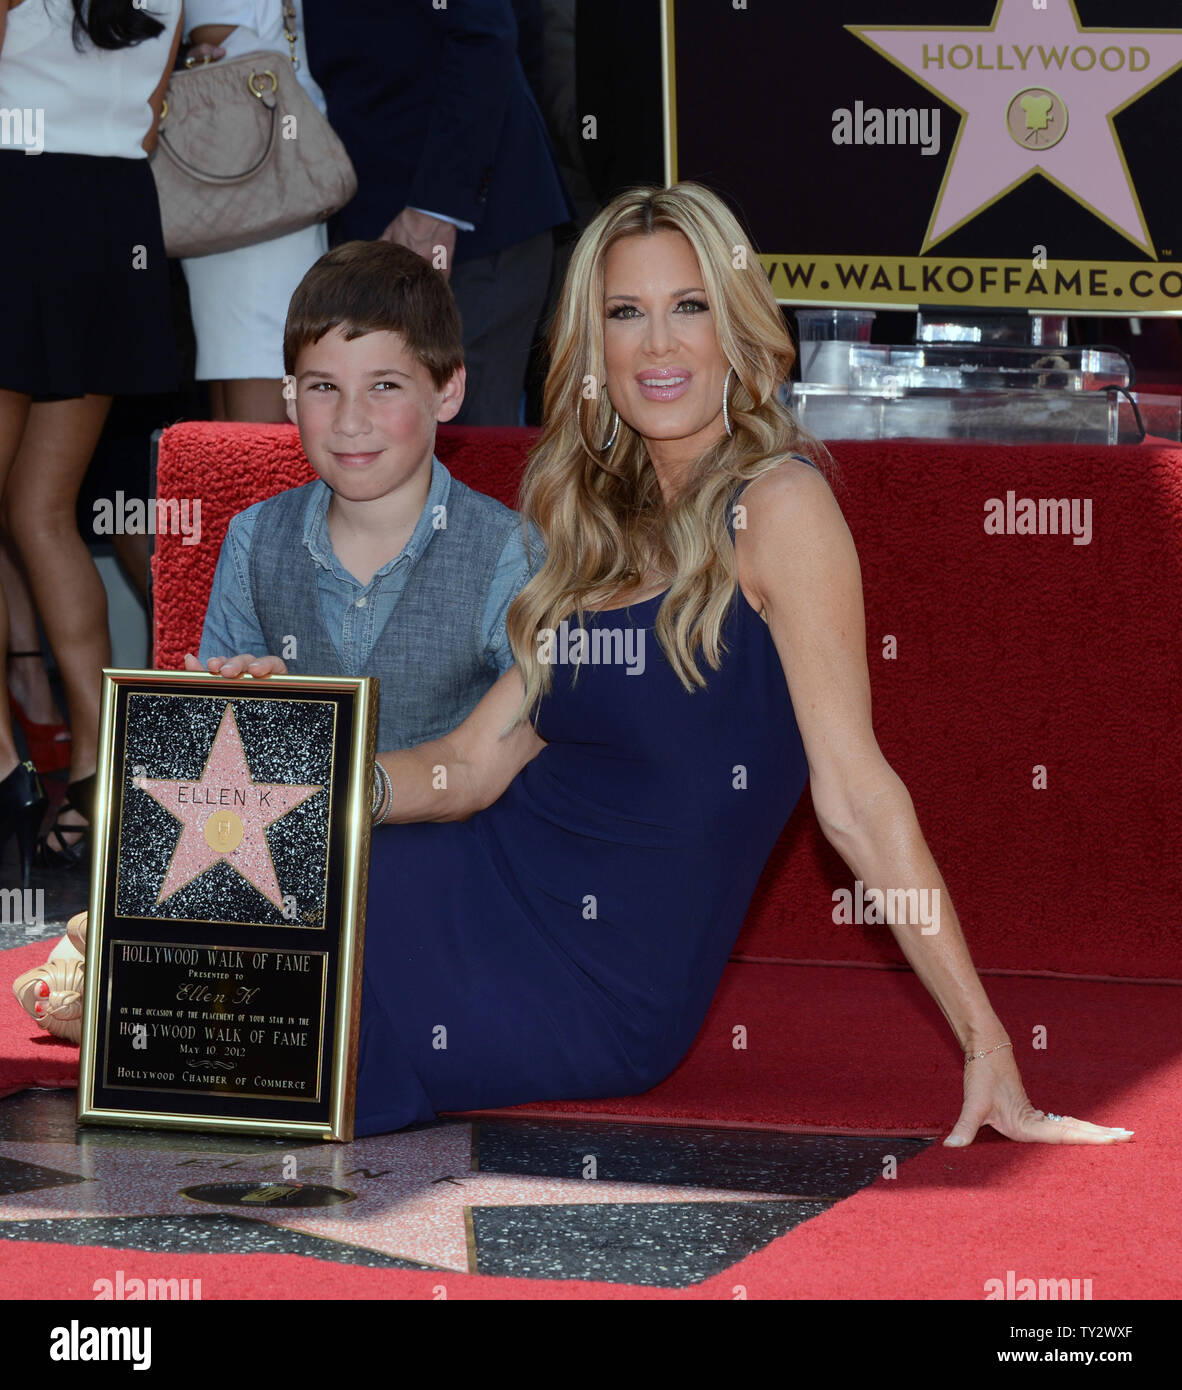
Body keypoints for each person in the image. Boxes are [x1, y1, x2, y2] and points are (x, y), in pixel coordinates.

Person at [121, 184, 1138, 1149]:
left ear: (735, 330)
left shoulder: (780, 508)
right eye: (625, 311)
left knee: (276, 1029)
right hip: (469, 877)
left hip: (592, 983)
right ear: (594, 344)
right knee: (215, 913)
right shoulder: (594, 529)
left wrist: (987, 1042)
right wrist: (306, 779)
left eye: (688, 306)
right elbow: (470, 766)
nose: (657, 342)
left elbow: (857, 798)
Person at [189, 239, 543, 753]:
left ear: (447, 392)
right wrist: (246, 711)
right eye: (323, 388)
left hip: (457, 830)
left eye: (384, 386)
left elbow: (530, 753)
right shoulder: (252, 539)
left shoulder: (512, 554)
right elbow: (217, 763)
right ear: (289, 398)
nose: (350, 422)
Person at [0, 0, 183, 878]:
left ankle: (5, 771)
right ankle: (91, 776)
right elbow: (149, 115)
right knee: (45, 510)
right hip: (114, 216)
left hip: (16, 201)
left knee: (37, 511)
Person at [300, 0, 575, 425]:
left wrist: (436, 207)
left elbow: (487, 34)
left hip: (464, 231)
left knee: (463, 442)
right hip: (377, 223)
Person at [178, 0, 333, 424]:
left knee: (247, 360)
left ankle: (239, 490)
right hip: (265, 177)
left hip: (249, 172)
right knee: (267, 359)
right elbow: (218, 35)